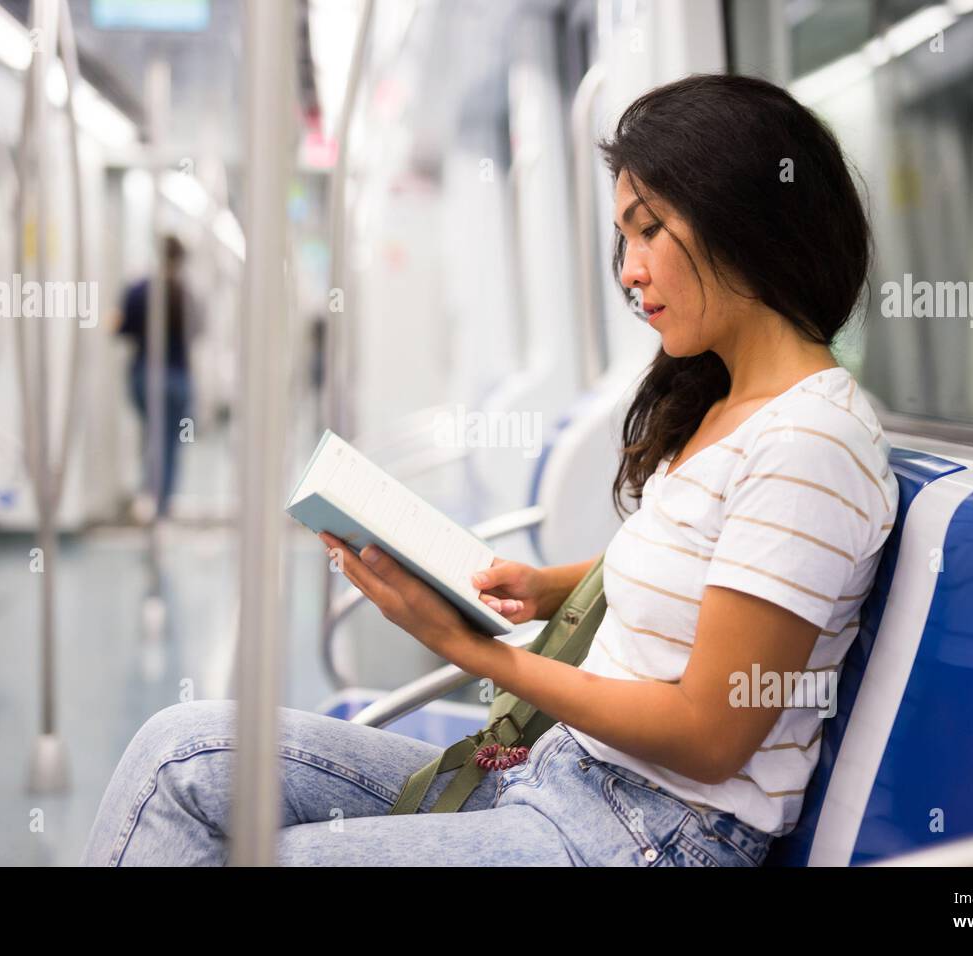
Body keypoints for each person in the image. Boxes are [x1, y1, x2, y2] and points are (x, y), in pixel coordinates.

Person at [81, 74, 899, 866]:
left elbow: (710, 734)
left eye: (649, 229)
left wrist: (474, 653)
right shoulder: (726, 403)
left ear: (743, 215)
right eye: (625, 238)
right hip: (562, 770)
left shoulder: (810, 444)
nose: (629, 270)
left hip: (654, 831)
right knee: (179, 756)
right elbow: (700, 567)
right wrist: (546, 588)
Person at [116, 235, 202, 518]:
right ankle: (162, 503)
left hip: (145, 375)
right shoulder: (187, 295)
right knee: (171, 442)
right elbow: (197, 332)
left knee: (152, 435)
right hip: (178, 377)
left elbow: (122, 328)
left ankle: (148, 495)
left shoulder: (140, 290)